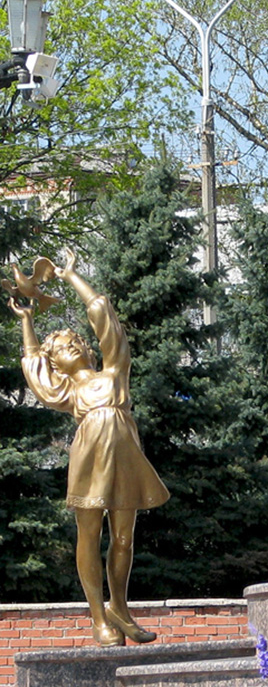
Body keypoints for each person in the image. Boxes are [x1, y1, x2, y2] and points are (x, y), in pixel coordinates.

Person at [8, 248, 169, 645]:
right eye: (63, 348)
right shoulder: (68, 391)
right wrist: (28, 323)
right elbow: (35, 371)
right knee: (89, 533)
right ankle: (99, 617)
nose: (73, 347)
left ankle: (121, 607)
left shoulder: (115, 371)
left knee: (124, 538)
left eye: (75, 342)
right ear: (58, 364)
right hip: (89, 456)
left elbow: (103, 314)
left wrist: (70, 276)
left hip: (126, 453)